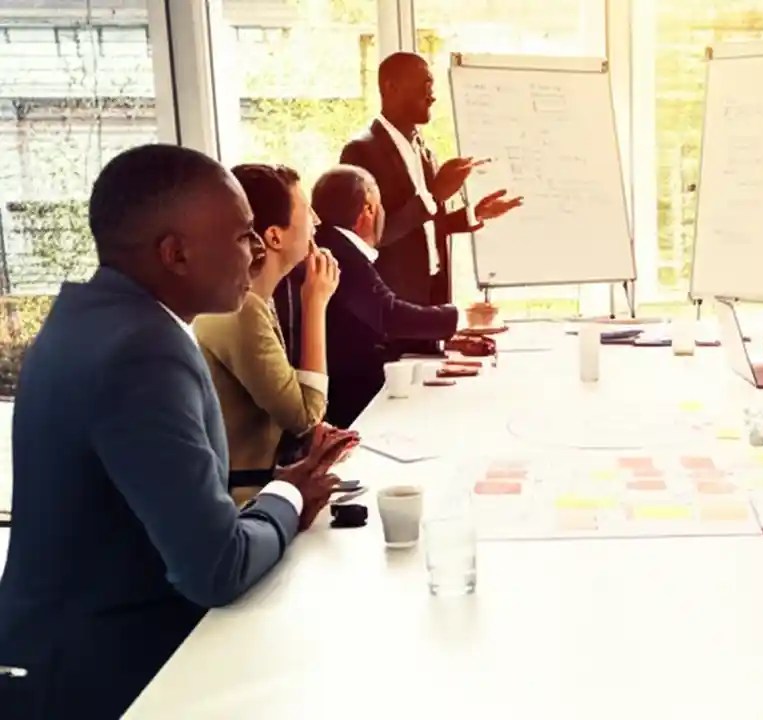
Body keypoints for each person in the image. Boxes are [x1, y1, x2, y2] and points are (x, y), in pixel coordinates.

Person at [0, 144, 357, 718]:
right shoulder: (144, 352)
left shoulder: (89, 317)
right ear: (176, 253)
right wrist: (289, 494)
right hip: (105, 680)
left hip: (57, 652)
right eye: (243, 237)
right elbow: (217, 567)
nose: (255, 251)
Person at [194, 163, 351, 505]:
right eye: (307, 210)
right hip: (248, 505)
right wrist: (316, 303)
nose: (317, 222)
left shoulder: (255, 302)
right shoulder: (242, 310)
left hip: (264, 488)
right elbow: (306, 417)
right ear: (274, 236)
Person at [340, 51, 523, 312]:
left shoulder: (424, 151)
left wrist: (475, 213)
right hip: (391, 306)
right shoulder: (360, 151)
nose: (432, 95)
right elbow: (367, 237)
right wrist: (434, 194)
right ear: (390, 87)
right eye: (425, 85)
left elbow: (424, 227)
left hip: (433, 296)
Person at [309, 164, 468, 428]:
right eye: (381, 204)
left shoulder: (337, 245)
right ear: (369, 208)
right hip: (347, 402)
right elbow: (389, 314)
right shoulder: (338, 252)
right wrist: (458, 319)